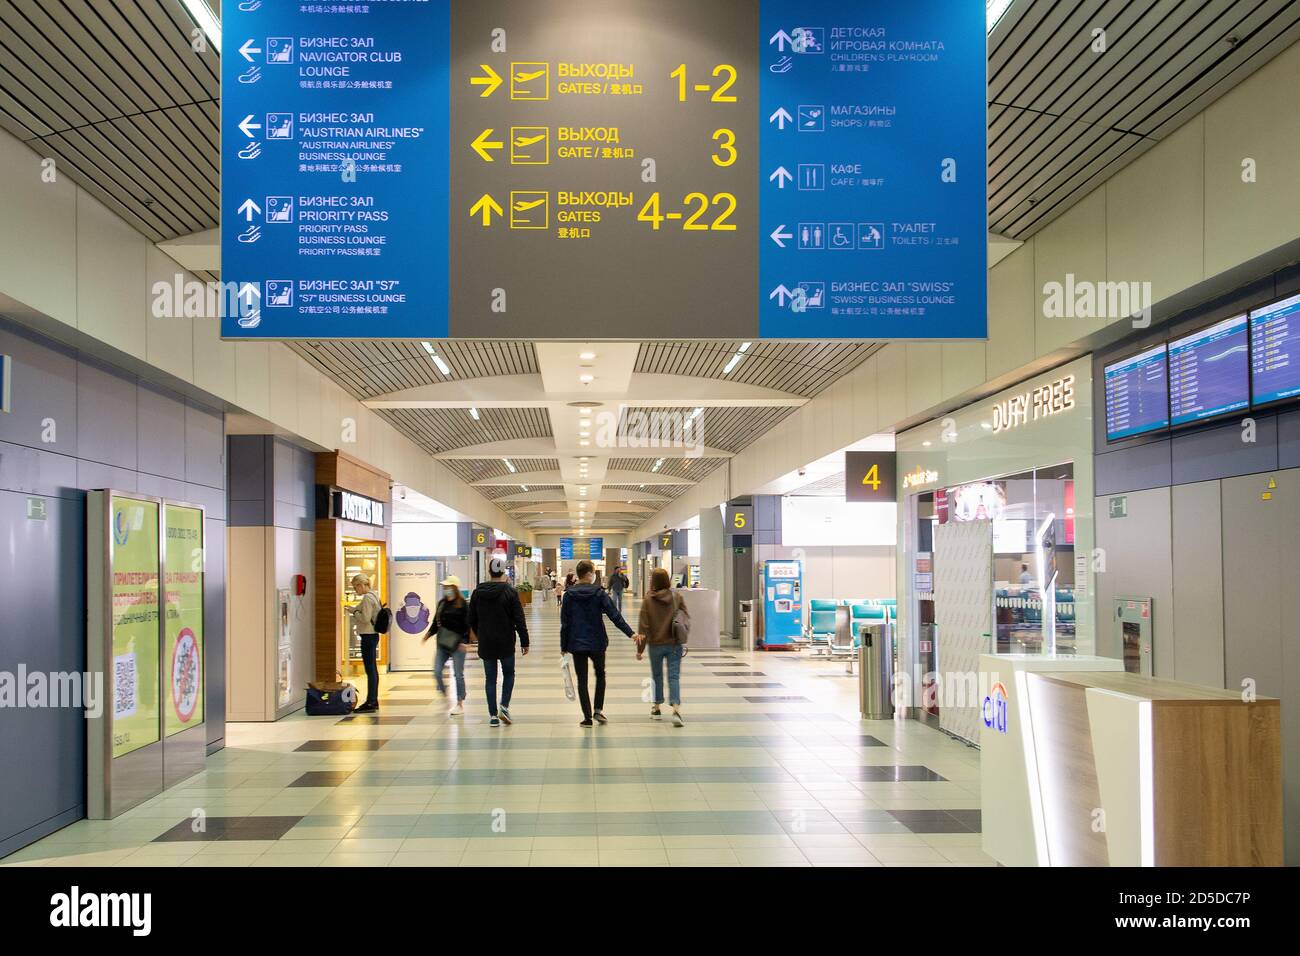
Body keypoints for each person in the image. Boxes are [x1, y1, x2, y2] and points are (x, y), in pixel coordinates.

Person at [560, 559, 637, 727]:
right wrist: (630, 633)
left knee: (582, 679)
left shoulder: (569, 595)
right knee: (600, 675)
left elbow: (565, 622)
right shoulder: (599, 593)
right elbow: (614, 616)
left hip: (576, 643)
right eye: (593, 572)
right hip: (597, 642)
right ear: (589, 574)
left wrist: (563, 646)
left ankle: (587, 718)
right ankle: (598, 710)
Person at [468, 556, 529, 726]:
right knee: (509, 673)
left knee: (490, 678)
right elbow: (519, 619)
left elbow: (471, 617)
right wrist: (525, 641)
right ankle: (504, 706)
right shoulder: (510, 592)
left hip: (486, 641)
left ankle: (493, 716)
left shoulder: (477, 593)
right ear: (503, 572)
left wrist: (477, 634)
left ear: (489, 571)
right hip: (506, 641)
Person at [637, 567, 689, 726]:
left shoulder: (648, 600)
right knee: (673, 676)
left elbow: (643, 627)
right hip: (674, 643)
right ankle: (676, 710)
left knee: (657, 676)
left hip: (655, 644)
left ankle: (656, 708)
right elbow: (685, 617)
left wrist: (640, 649)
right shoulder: (676, 596)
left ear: (653, 581)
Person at [423, 574, 469, 717]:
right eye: (444, 587)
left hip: (457, 644)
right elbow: (436, 623)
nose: (445, 589)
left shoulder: (462, 604)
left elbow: (467, 624)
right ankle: (444, 693)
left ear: (454, 588)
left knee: (458, 674)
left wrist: (464, 641)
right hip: (442, 642)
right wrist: (428, 634)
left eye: (448, 587)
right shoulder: (442, 603)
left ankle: (460, 702)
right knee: (437, 671)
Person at [348, 574, 383, 712]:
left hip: (368, 636)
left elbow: (365, 618)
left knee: (370, 670)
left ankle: (371, 701)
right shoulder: (374, 595)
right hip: (373, 635)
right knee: (372, 669)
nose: (355, 590)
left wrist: (354, 612)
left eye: (355, 587)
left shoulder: (367, 598)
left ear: (361, 585)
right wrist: (356, 609)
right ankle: (373, 700)